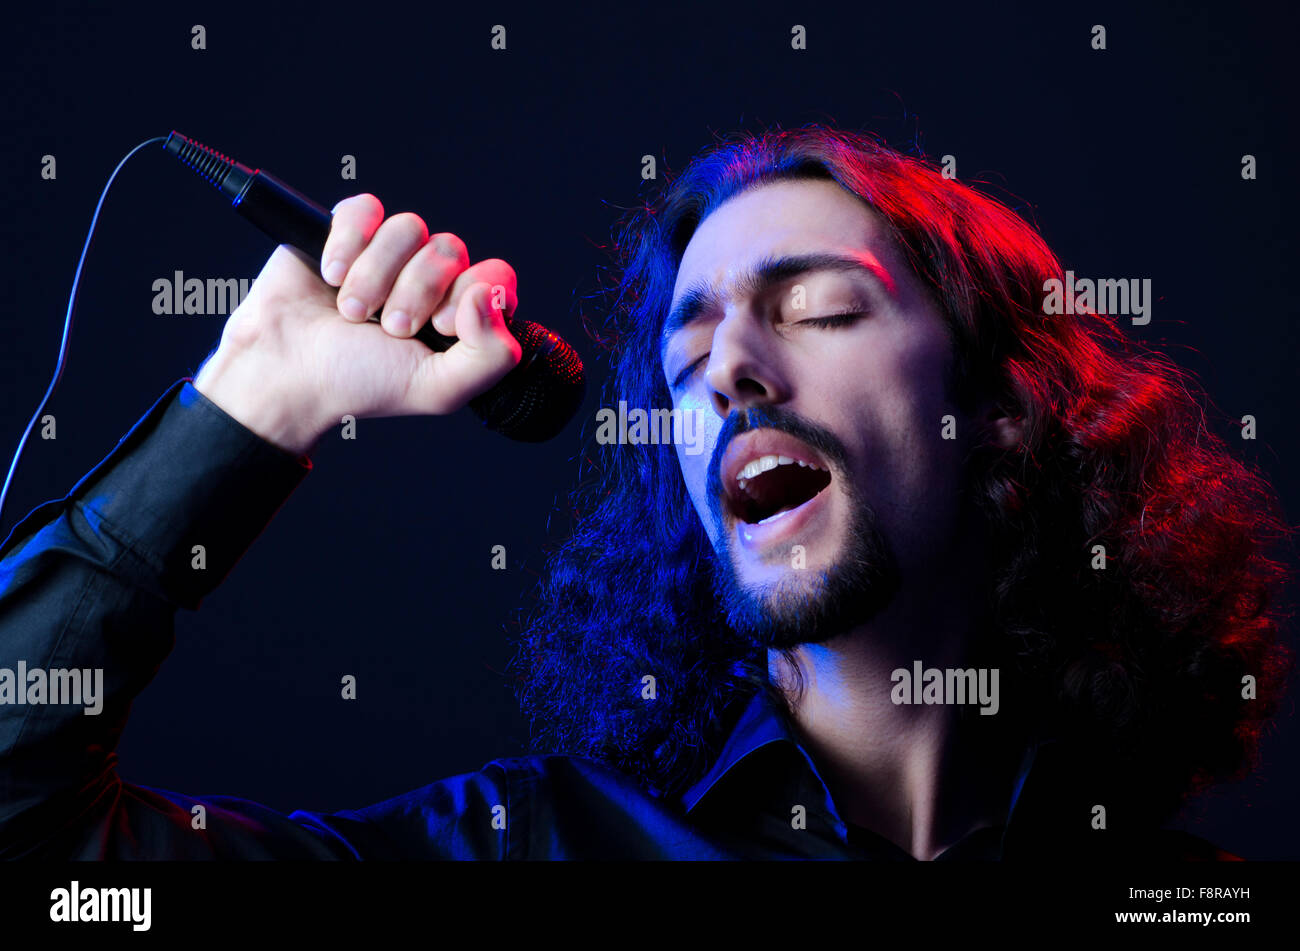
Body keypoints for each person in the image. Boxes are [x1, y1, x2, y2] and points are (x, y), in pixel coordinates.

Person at [0, 126, 1289, 860]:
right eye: (683, 358)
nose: (727, 367)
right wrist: (256, 398)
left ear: (1003, 406)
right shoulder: (529, 852)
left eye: (822, 309)